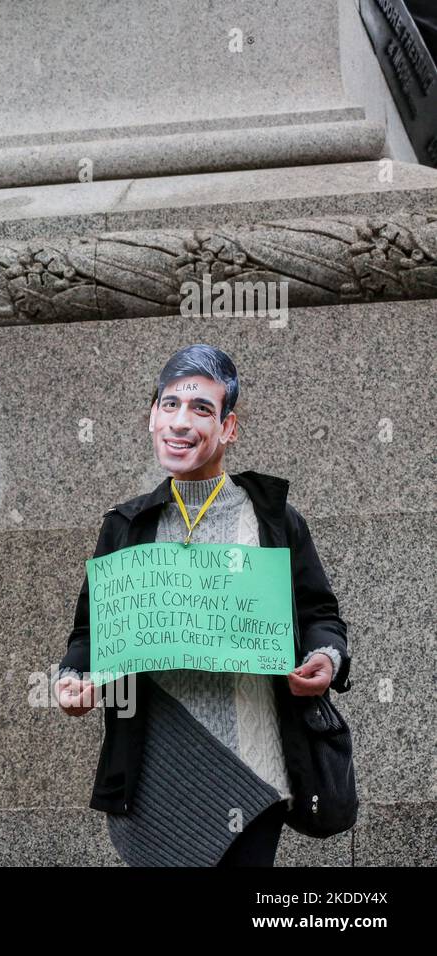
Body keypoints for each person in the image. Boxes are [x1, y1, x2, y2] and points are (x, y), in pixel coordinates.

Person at [55, 345, 351, 866]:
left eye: (201, 409)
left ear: (228, 428)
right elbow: (90, 635)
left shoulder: (274, 521)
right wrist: (71, 679)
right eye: (169, 405)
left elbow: (319, 616)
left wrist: (324, 660)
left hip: (254, 773)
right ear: (152, 417)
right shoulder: (125, 527)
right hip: (151, 773)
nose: (180, 422)